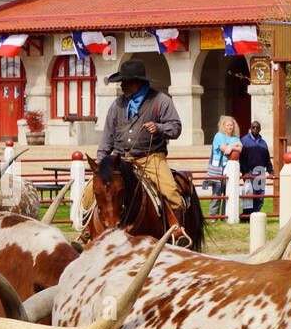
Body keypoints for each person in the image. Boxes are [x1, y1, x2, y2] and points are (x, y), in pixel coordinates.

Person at [96, 58, 189, 244]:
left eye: (126, 82)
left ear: (137, 82)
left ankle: (178, 233)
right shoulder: (117, 105)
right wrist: (101, 163)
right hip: (118, 160)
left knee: (171, 193)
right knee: (93, 193)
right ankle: (88, 233)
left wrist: (160, 128)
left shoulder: (161, 101)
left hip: (151, 157)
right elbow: (107, 136)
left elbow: (176, 128)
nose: (122, 86)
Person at [205, 116, 241, 219]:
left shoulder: (235, 137)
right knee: (217, 193)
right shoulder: (219, 136)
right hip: (218, 169)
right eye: (227, 125)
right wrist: (235, 145)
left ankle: (225, 216)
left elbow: (241, 148)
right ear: (223, 127)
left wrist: (231, 146)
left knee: (228, 193)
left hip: (230, 169)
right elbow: (224, 148)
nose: (230, 127)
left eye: (231, 125)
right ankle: (213, 216)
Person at [238, 120, 271, 222]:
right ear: (250, 128)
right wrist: (245, 172)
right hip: (250, 172)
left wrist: (271, 170)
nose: (255, 129)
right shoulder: (244, 141)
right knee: (249, 195)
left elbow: (267, 159)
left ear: (260, 129)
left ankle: (256, 217)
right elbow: (241, 158)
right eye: (253, 127)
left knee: (260, 196)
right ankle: (246, 217)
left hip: (260, 171)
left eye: (257, 128)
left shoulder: (263, 142)